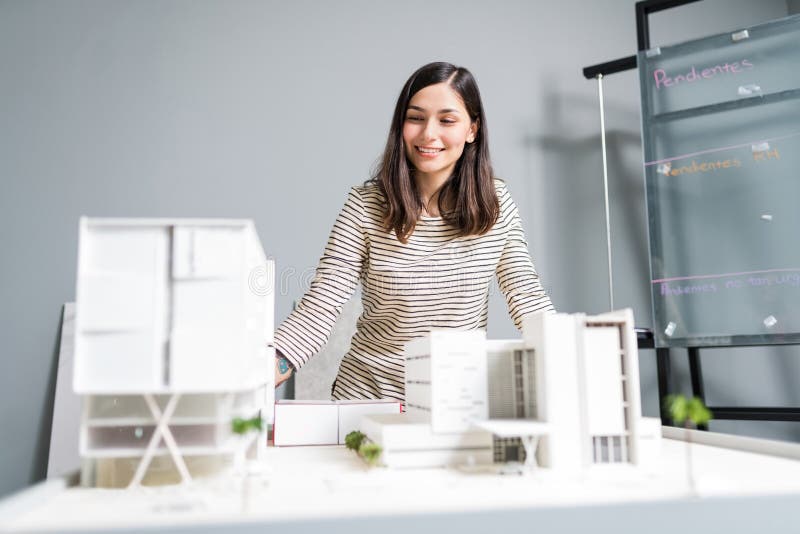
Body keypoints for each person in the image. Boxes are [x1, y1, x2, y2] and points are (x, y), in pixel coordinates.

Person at [273, 61, 554, 399]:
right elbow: (321, 305)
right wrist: (255, 377)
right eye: (415, 118)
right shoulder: (366, 205)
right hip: (365, 401)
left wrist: (574, 361)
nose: (428, 134)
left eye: (447, 120)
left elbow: (527, 296)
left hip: (455, 404)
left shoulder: (497, 203)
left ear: (472, 130)